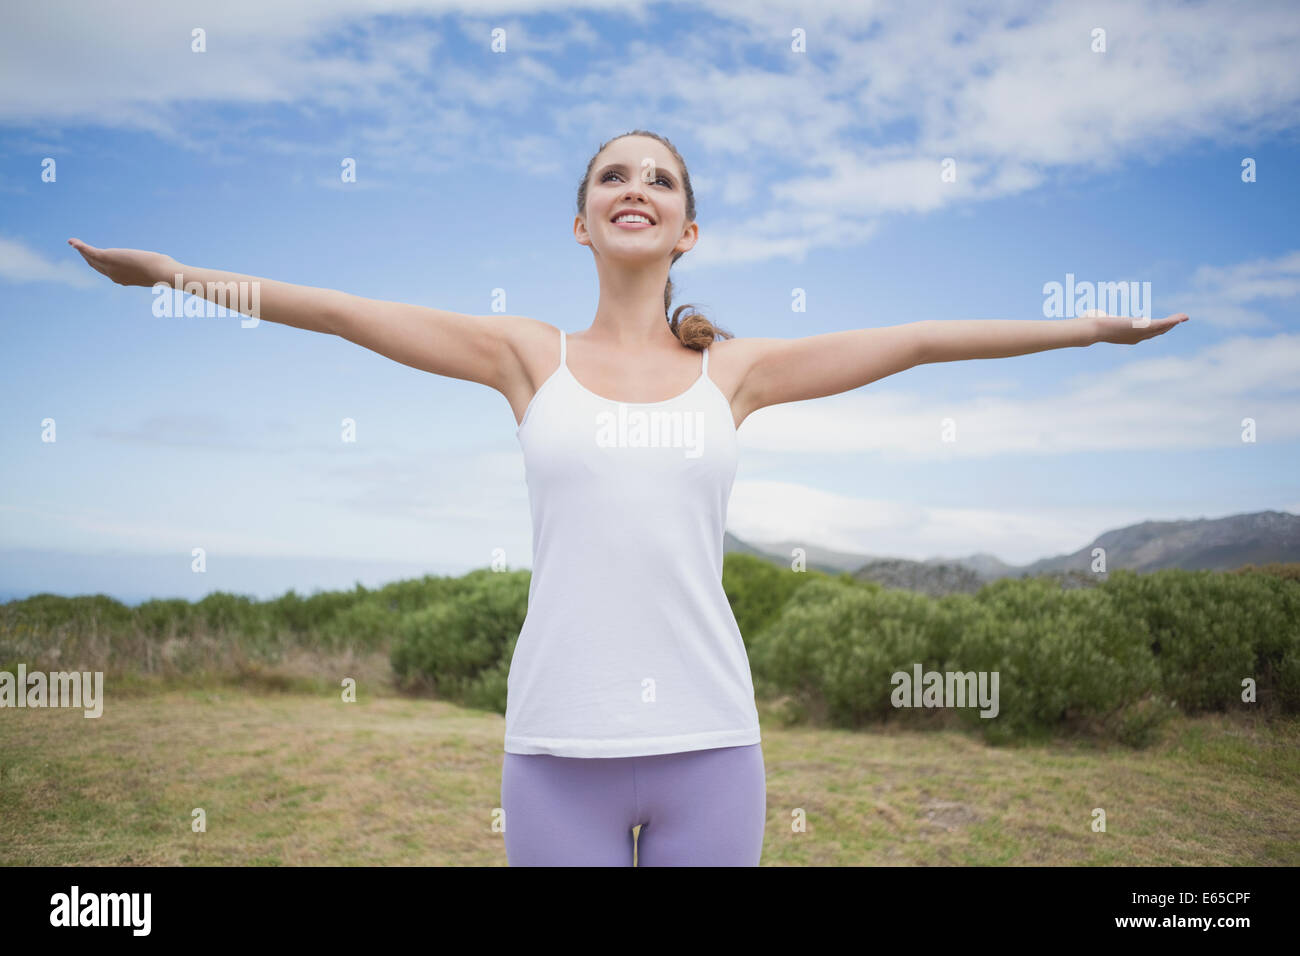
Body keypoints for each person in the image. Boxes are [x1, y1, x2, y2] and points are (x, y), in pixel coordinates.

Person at [68, 129, 1189, 867]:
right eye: (614, 175)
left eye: (660, 178)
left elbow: (917, 339)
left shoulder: (733, 371)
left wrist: (1091, 325)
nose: (635, 188)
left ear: (687, 229)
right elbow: (345, 311)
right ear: (581, 222)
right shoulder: (523, 353)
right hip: (555, 747)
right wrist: (176, 275)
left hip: (712, 744)